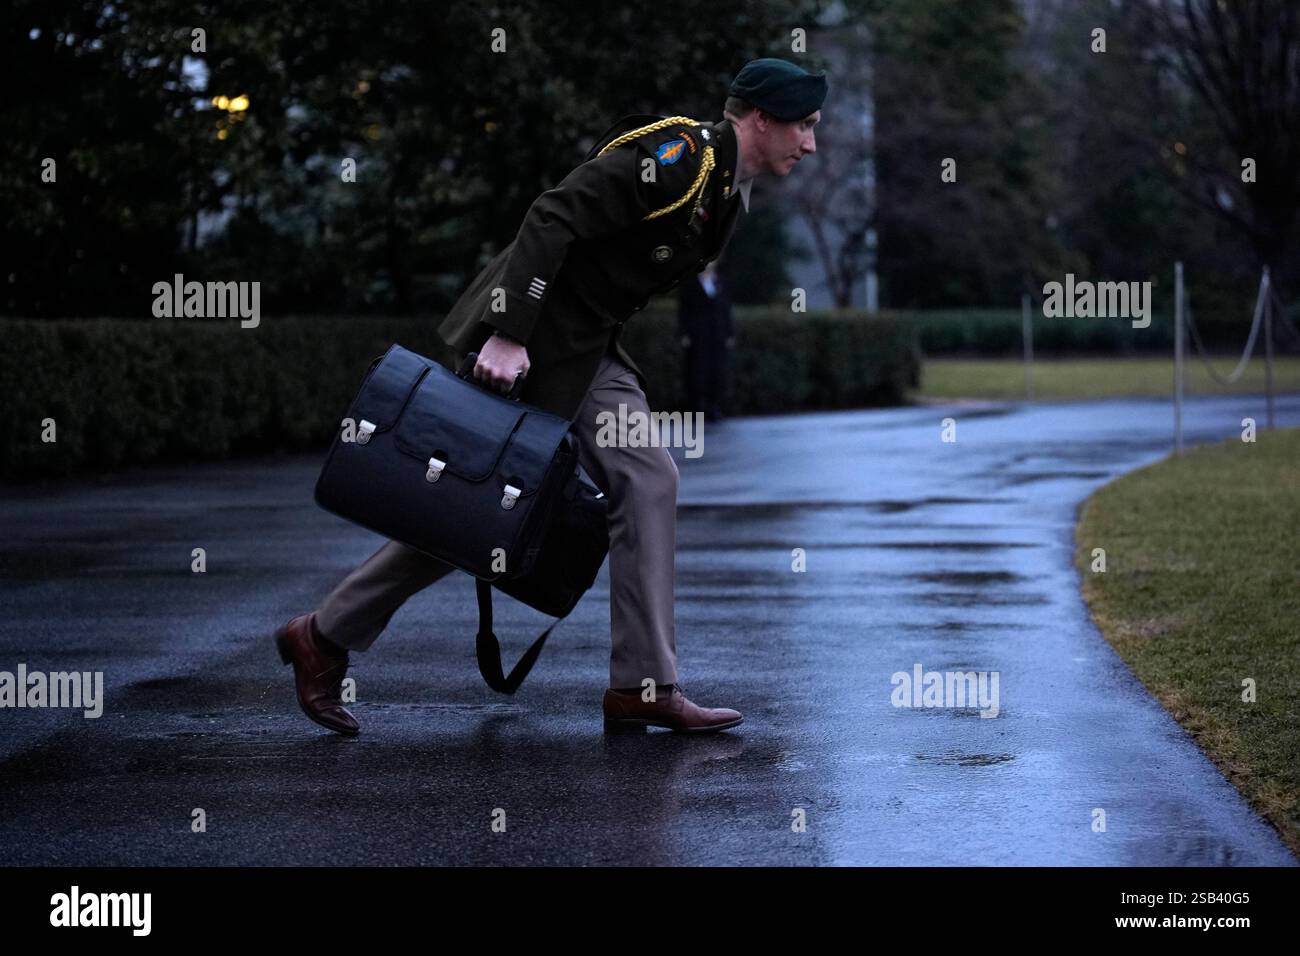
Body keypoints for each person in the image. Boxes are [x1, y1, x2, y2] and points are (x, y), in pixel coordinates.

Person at [274, 57, 826, 736]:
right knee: (472, 512)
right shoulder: (680, 157)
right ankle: (323, 637)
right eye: (803, 125)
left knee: (634, 481)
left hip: (587, 350)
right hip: (531, 340)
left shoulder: (725, 193)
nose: (810, 144)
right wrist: (509, 332)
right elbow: (553, 215)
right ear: (761, 118)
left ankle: (643, 686)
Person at [678, 259, 734, 422]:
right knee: (696, 371)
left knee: (717, 371)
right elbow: (684, 311)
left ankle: (714, 406)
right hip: (698, 335)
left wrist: (730, 333)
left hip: (718, 334)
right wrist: (684, 333)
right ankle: (696, 408)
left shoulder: (721, 282)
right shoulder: (690, 284)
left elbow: (727, 310)